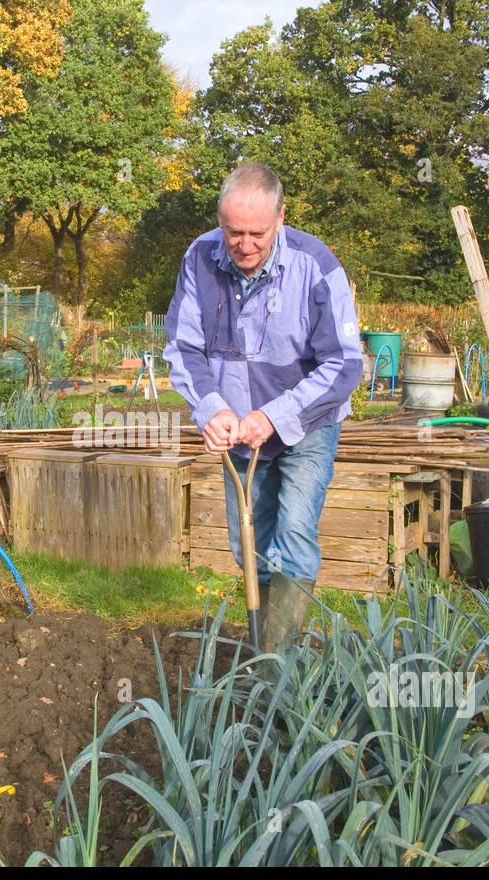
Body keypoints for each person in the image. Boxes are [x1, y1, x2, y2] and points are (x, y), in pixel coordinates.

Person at [163, 162, 364, 650]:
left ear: (281, 218)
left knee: (293, 537)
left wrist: (273, 415)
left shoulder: (316, 265)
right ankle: (266, 652)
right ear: (219, 220)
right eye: (234, 232)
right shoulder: (200, 259)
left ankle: (280, 668)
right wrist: (211, 408)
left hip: (306, 426)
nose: (245, 245)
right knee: (247, 545)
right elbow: (183, 346)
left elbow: (344, 364)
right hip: (237, 431)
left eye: (257, 232)